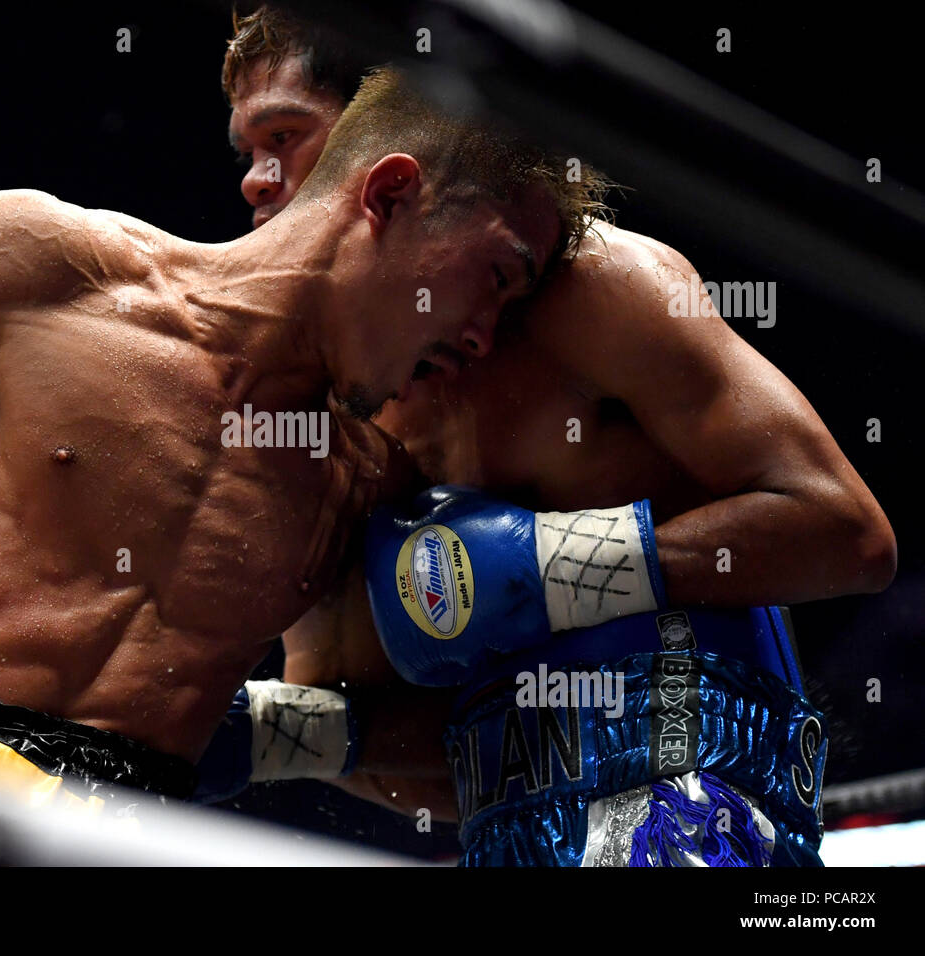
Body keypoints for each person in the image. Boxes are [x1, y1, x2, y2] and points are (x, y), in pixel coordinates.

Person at [0, 67, 574, 809]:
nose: (486, 335)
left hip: (128, 831)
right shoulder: (57, 269)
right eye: (497, 275)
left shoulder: (365, 478)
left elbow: (432, 765)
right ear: (391, 193)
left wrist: (259, 731)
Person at [204, 5, 896, 866]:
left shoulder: (594, 291)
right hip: (514, 836)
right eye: (246, 151)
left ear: (380, 132)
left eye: (284, 134)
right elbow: (426, 759)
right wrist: (270, 731)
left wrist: (552, 570)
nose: (255, 180)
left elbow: (849, 533)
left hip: (697, 798)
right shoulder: (329, 414)